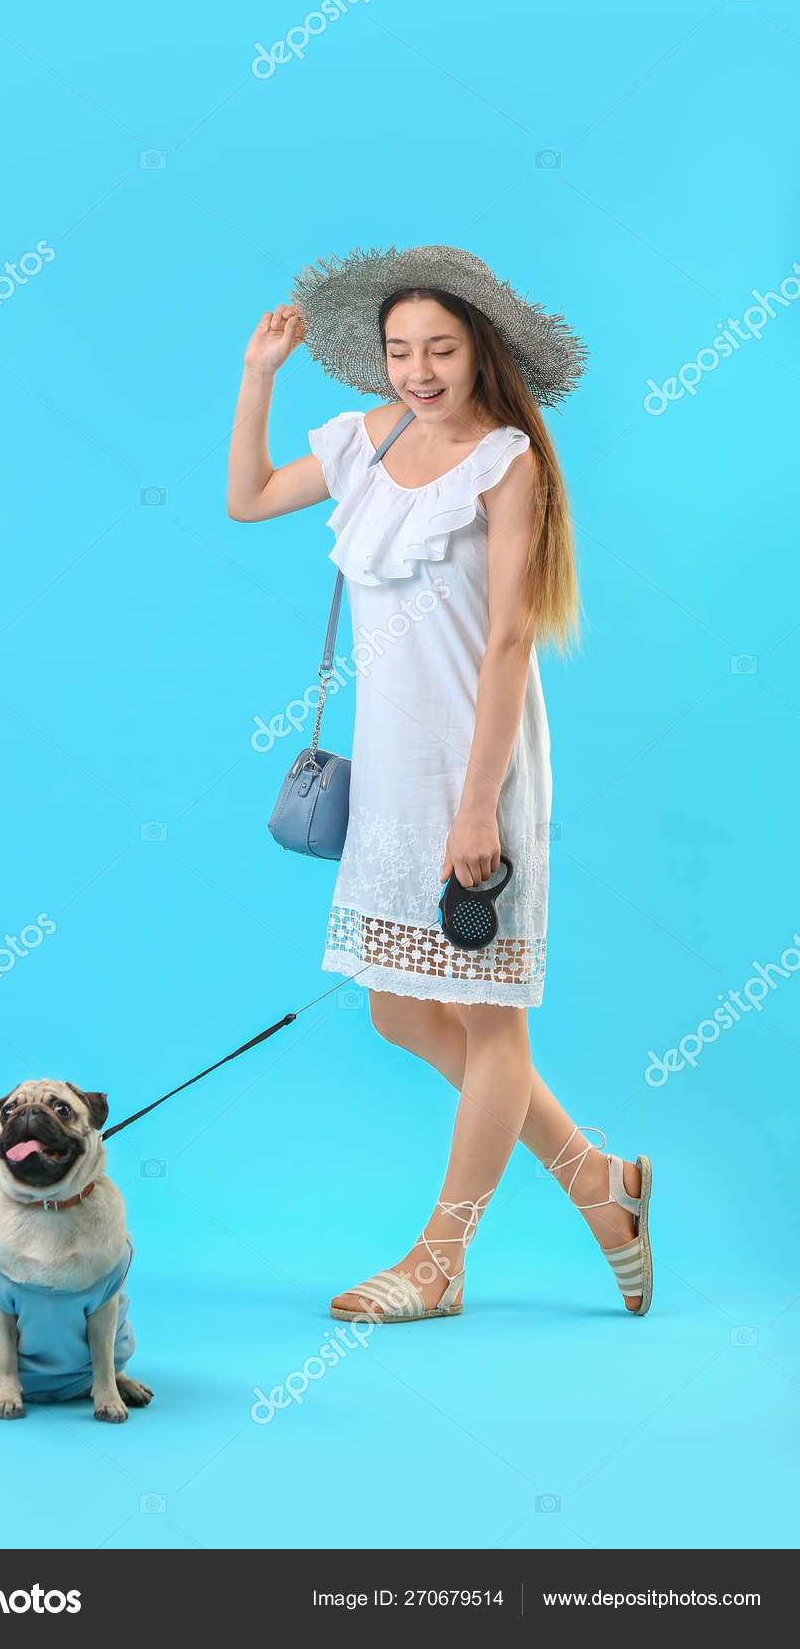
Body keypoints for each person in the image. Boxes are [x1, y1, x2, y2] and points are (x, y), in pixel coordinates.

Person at [226, 244, 652, 1324]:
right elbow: (249, 498)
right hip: (390, 774)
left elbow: (510, 638)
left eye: (440, 349)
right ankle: (596, 1181)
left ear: (479, 353)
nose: (418, 369)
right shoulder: (370, 440)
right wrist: (258, 377)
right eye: (399, 350)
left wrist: (477, 805)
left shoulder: (507, 460)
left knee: (487, 1012)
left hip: (478, 769)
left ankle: (440, 1257)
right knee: (394, 1010)